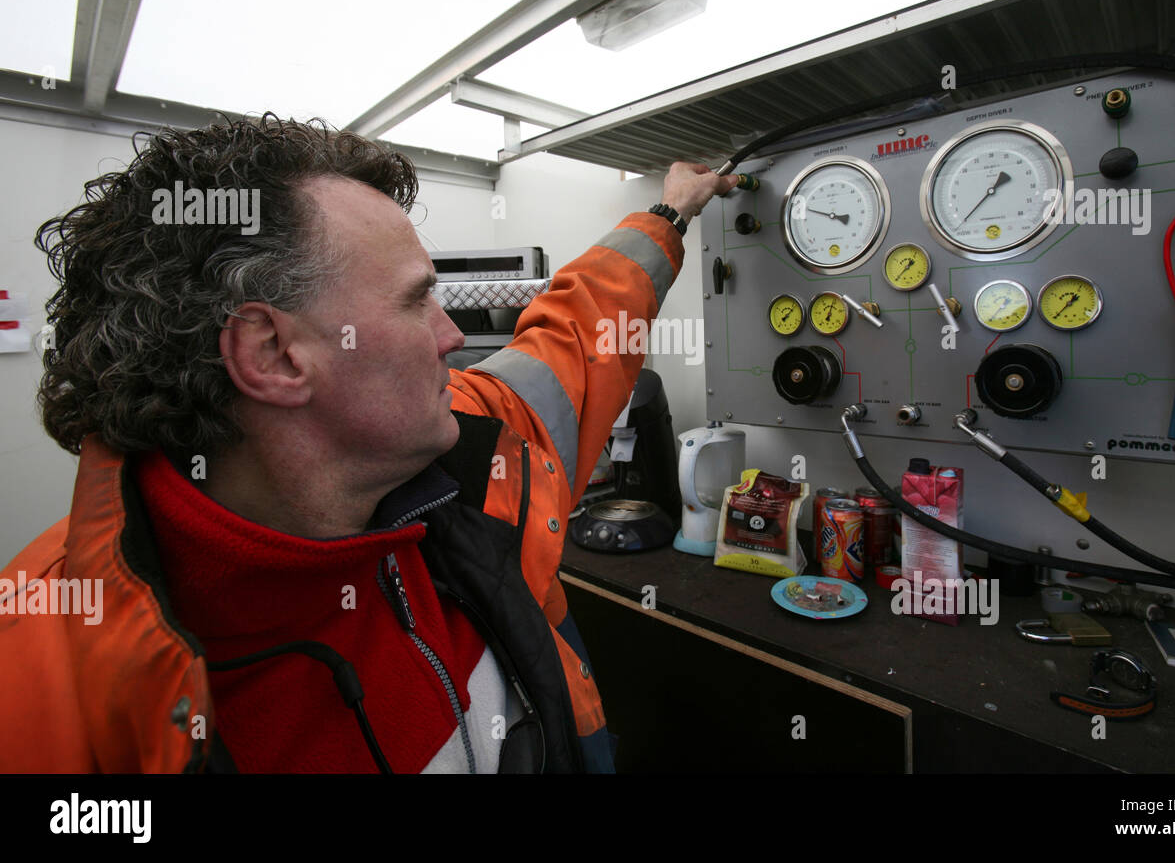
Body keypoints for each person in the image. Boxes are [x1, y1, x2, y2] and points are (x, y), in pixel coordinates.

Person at [0, 114, 736, 773]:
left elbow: (575, 339)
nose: (454, 339)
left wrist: (669, 212)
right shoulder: (34, 685)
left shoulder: (478, 449)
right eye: (419, 300)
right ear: (274, 355)